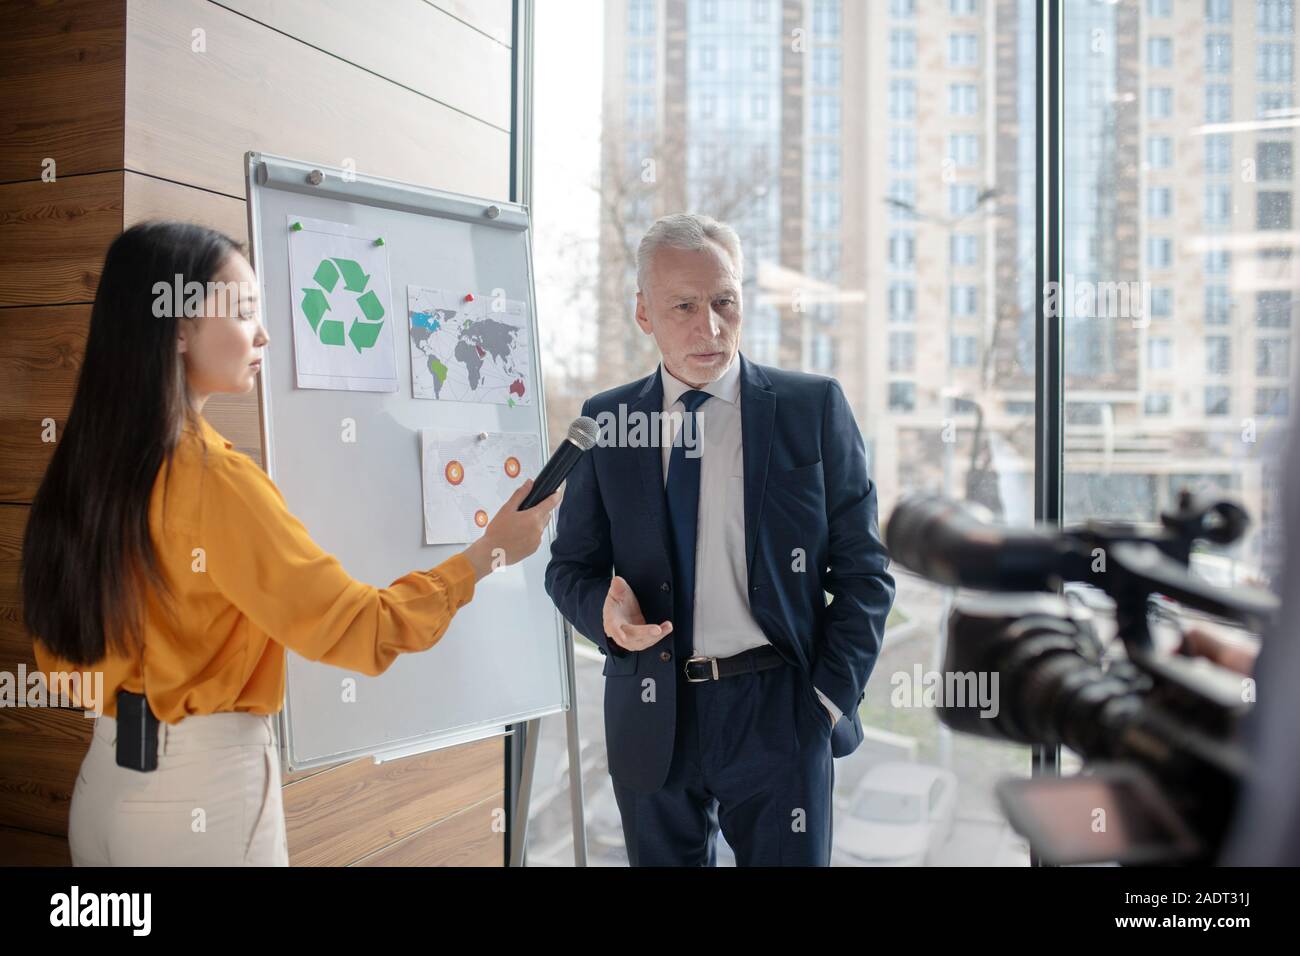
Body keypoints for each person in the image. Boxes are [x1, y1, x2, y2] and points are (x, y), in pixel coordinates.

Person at [21, 221, 559, 866]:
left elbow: (58, 654)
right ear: (177, 327)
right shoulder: (215, 480)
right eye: (245, 312)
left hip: (103, 786)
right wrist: (486, 555)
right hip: (202, 800)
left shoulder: (83, 467)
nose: (265, 335)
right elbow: (363, 629)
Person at [545, 212, 895, 866]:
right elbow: (568, 568)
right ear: (644, 314)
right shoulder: (606, 420)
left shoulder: (811, 408)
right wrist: (604, 614)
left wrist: (824, 703)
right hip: (652, 713)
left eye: (724, 302)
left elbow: (864, 576)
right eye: (683, 306)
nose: (709, 327)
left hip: (781, 713)